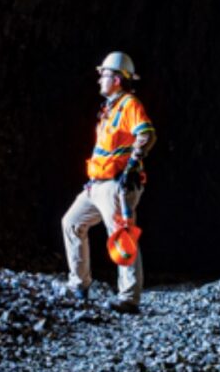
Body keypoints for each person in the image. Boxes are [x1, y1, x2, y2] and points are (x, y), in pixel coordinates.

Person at [61, 52, 156, 314]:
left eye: (103, 75)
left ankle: (128, 297)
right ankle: (79, 284)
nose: (99, 80)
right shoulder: (109, 108)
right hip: (97, 184)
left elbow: (146, 134)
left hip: (116, 185)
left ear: (116, 78)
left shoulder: (129, 105)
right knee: (72, 222)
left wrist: (132, 166)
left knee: (122, 236)